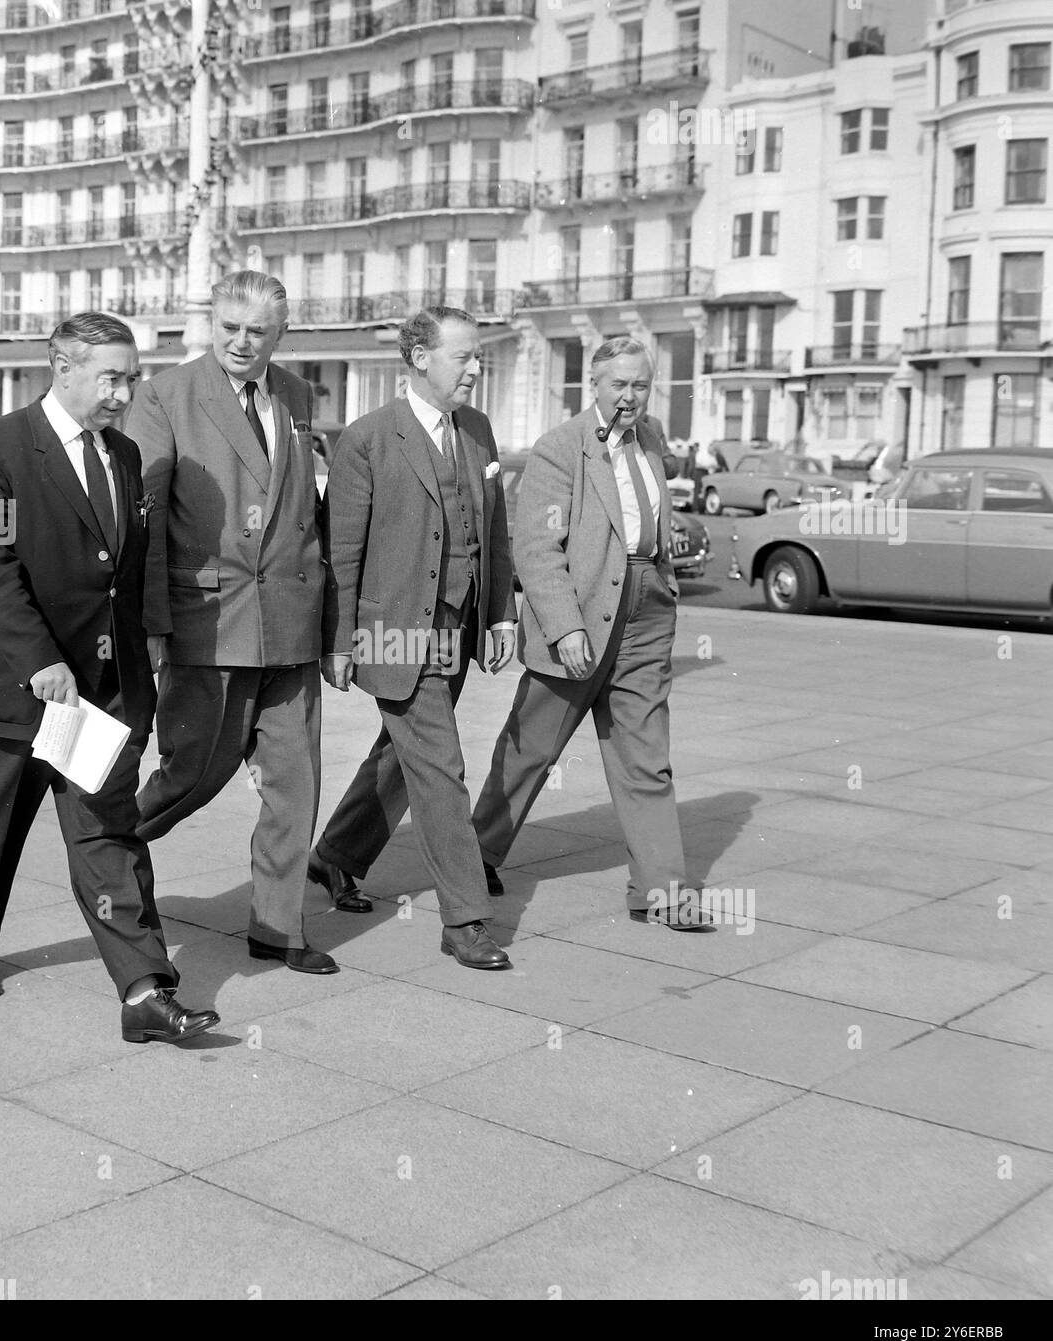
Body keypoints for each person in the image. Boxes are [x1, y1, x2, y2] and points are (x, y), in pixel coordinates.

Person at [0, 312, 219, 1045]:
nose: (125, 393)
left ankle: (145, 991)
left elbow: (121, 573)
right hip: (15, 687)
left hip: (104, 689)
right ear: (63, 365)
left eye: (131, 377)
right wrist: (41, 661)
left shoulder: (122, 454)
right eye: (111, 377)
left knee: (108, 834)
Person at [124, 270, 335, 974]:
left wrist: (334, 629)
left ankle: (279, 927)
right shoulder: (165, 396)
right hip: (209, 623)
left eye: (259, 332)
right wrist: (152, 621)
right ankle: (108, 852)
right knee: (194, 775)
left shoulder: (299, 396)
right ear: (212, 324)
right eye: (231, 328)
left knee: (294, 781)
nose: (243, 344)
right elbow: (144, 519)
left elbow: (310, 517)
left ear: (281, 334)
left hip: (292, 623)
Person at [472, 335, 706, 929]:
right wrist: (565, 627)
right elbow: (537, 549)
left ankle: (662, 894)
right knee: (532, 748)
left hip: (646, 609)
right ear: (594, 386)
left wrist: (664, 587)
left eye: (641, 385)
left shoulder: (652, 440)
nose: (630, 396)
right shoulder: (559, 449)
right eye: (618, 385)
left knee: (646, 757)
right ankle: (474, 857)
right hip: (579, 612)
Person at [315, 305, 517, 969]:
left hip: (457, 626)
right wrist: (339, 642)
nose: (475, 369)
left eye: (477, 356)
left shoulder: (479, 432)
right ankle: (464, 920)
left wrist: (498, 616)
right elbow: (342, 550)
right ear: (420, 357)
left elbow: (493, 533)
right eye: (464, 356)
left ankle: (336, 857)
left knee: (402, 755)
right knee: (440, 766)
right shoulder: (368, 438)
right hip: (392, 631)